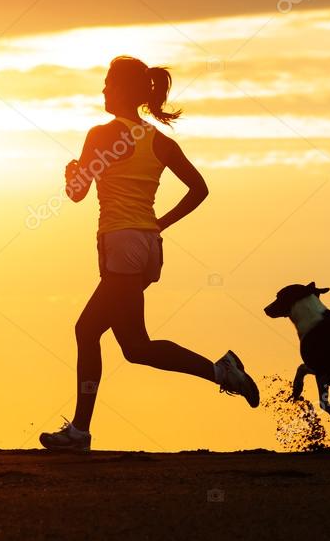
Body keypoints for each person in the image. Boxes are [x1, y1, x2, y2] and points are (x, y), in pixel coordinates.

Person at [39, 56, 259, 452]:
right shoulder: (159, 141)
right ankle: (221, 372)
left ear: (123, 89)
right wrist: (160, 224)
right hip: (147, 248)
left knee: (90, 332)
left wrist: (70, 172)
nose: (103, 90)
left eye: (107, 83)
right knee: (134, 346)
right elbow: (199, 189)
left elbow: (76, 193)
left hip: (120, 245)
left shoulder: (100, 134)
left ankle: (80, 432)